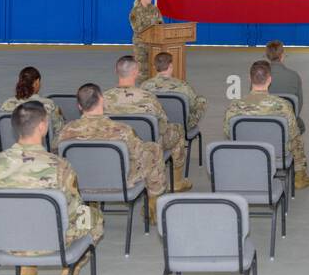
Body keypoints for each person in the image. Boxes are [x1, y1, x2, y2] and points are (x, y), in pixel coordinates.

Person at [0, 101, 105, 275]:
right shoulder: (59, 166)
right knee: (93, 217)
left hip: (6, 242)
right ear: (42, 126)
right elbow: (75, 211)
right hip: (51, 241)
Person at [58, 82, 181, 206]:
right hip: (118, 181)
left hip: (80, 182)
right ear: (102, 100)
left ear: (79, 106)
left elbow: (57, 154)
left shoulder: (65, 131)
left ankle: (92, 205)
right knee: (153, 149)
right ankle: (154, 204)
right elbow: (138, 153)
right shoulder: (122, 130)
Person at [105, 55, 189, 191]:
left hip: (113, 147)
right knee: (177, 130)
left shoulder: (104, 98)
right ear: (136, 73)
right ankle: (177, 181)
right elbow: (162, 125)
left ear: (116, 71)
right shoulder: (148, 98)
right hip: (146, 148)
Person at [225, 60, 309, 189]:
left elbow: (228, 132)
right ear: (270, 80)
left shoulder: (234, 106)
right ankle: (300, 175)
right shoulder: (283, 106)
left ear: (250, 79)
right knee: (297, 137)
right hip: (277, 153)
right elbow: (292, 134)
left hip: (245, 152)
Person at [142, 51, 207, 132]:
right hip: (179, 126)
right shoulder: (183, 86)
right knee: (201, 100)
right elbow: (193, 105)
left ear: (155, 67)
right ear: (170, 66)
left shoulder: (145, 86)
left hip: (155, 125)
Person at [0, 66, 64, 139]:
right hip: (41, 146)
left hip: (13, 145)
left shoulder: (7, 105)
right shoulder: (49, 105)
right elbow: (60, 131)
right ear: (37, 82)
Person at [264, 40, 305, 134]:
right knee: (301, 126)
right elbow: (299, 105)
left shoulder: (260, 76)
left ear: (267, 56)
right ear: (282, 55)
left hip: (265, 121)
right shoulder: (294, 76)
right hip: (287, 122)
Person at [128, 0, 163, 83]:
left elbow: (160, 22)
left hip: (154, 42)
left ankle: (154, 84)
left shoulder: (154, 9)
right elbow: (137, 28)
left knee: (154, 64)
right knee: (142, 67)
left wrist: (158, 27)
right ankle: (142, 85)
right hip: (141, 42)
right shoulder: (135, 11)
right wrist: (151, 26)